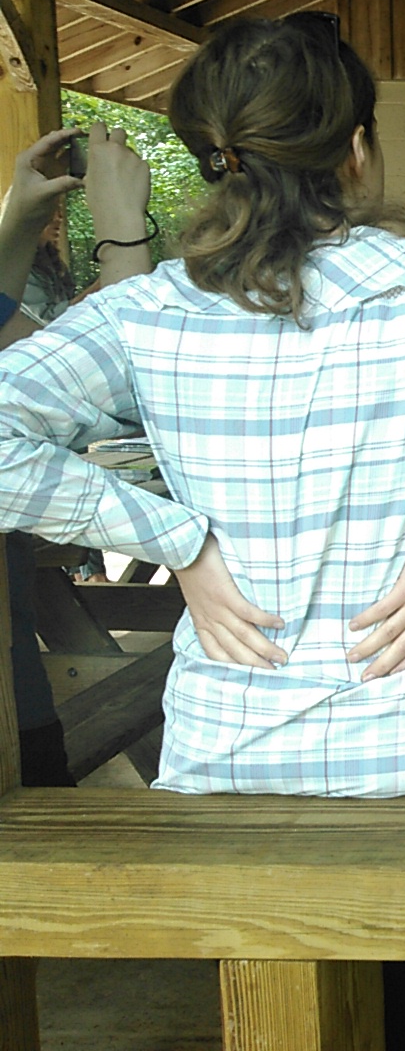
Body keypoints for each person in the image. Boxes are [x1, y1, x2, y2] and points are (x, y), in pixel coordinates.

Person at [0, 15, 405, 1049]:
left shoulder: (149, 314)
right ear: (356, 147)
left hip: (232, 760)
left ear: (212, 159)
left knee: (276, 1024)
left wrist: (178, 540)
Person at [0, 124, 155, 786]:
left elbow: (12, 334)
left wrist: (21, 217)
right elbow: (105, 372)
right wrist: (123, 234)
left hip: (22, 701)